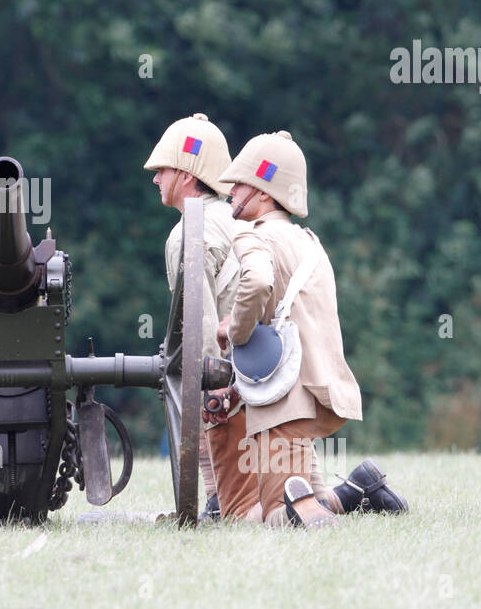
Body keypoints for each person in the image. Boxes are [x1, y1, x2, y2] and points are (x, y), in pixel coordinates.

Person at [214, 131, 408, 527]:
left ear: (264, 192)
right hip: (314, 392)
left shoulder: (254, 236)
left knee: (272, 513)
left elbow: (257, 281)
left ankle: (299, 510)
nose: (231, 190)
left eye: (240, 183)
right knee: (313, 495)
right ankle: (359, 491)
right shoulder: (309, 242)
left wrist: (235, 330)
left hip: (281, 398)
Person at [143, 113, 257, 521]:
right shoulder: (238, 219)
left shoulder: (186, 235)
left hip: (230, 380)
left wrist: (211, 389)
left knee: (232, 510)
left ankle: (215, 497)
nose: (156, 179)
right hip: (263, 372)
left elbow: (201, 327)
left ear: (188, 175)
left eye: (163, 171)